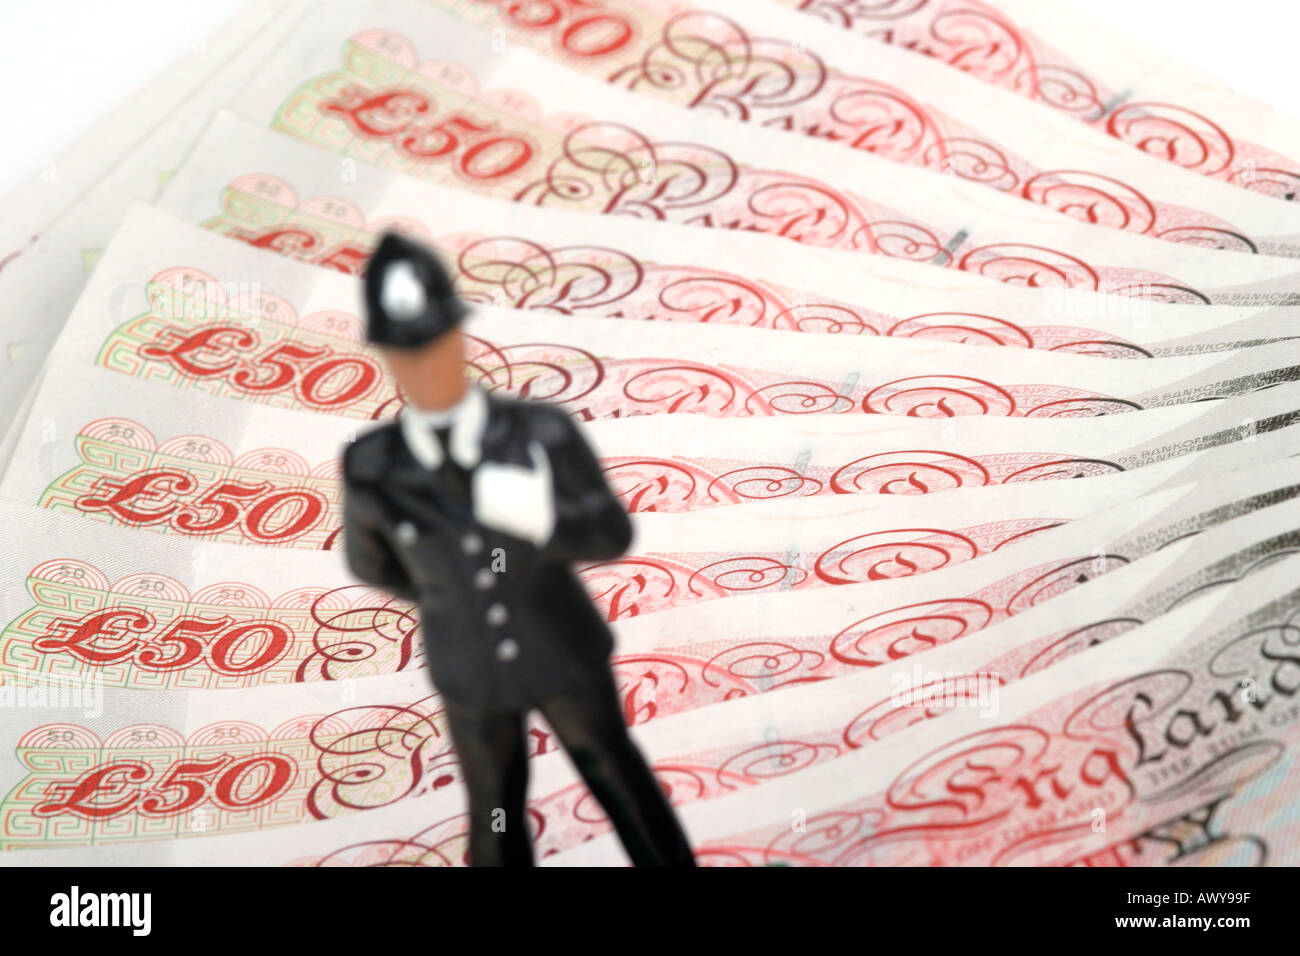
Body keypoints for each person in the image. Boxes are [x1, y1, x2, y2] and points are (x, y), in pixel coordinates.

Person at [341, 232, 696, 867]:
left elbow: (610, 533)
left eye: (436, 347)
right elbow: (374, 563)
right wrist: (449, 593)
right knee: (495, 813)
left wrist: (539, 521)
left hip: (562, 649)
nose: (427, 367)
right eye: (408, 353)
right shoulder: (373, 467)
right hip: (470, 669)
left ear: (459, 340)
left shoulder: (541, 434)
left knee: (618, 780)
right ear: (389, 360)